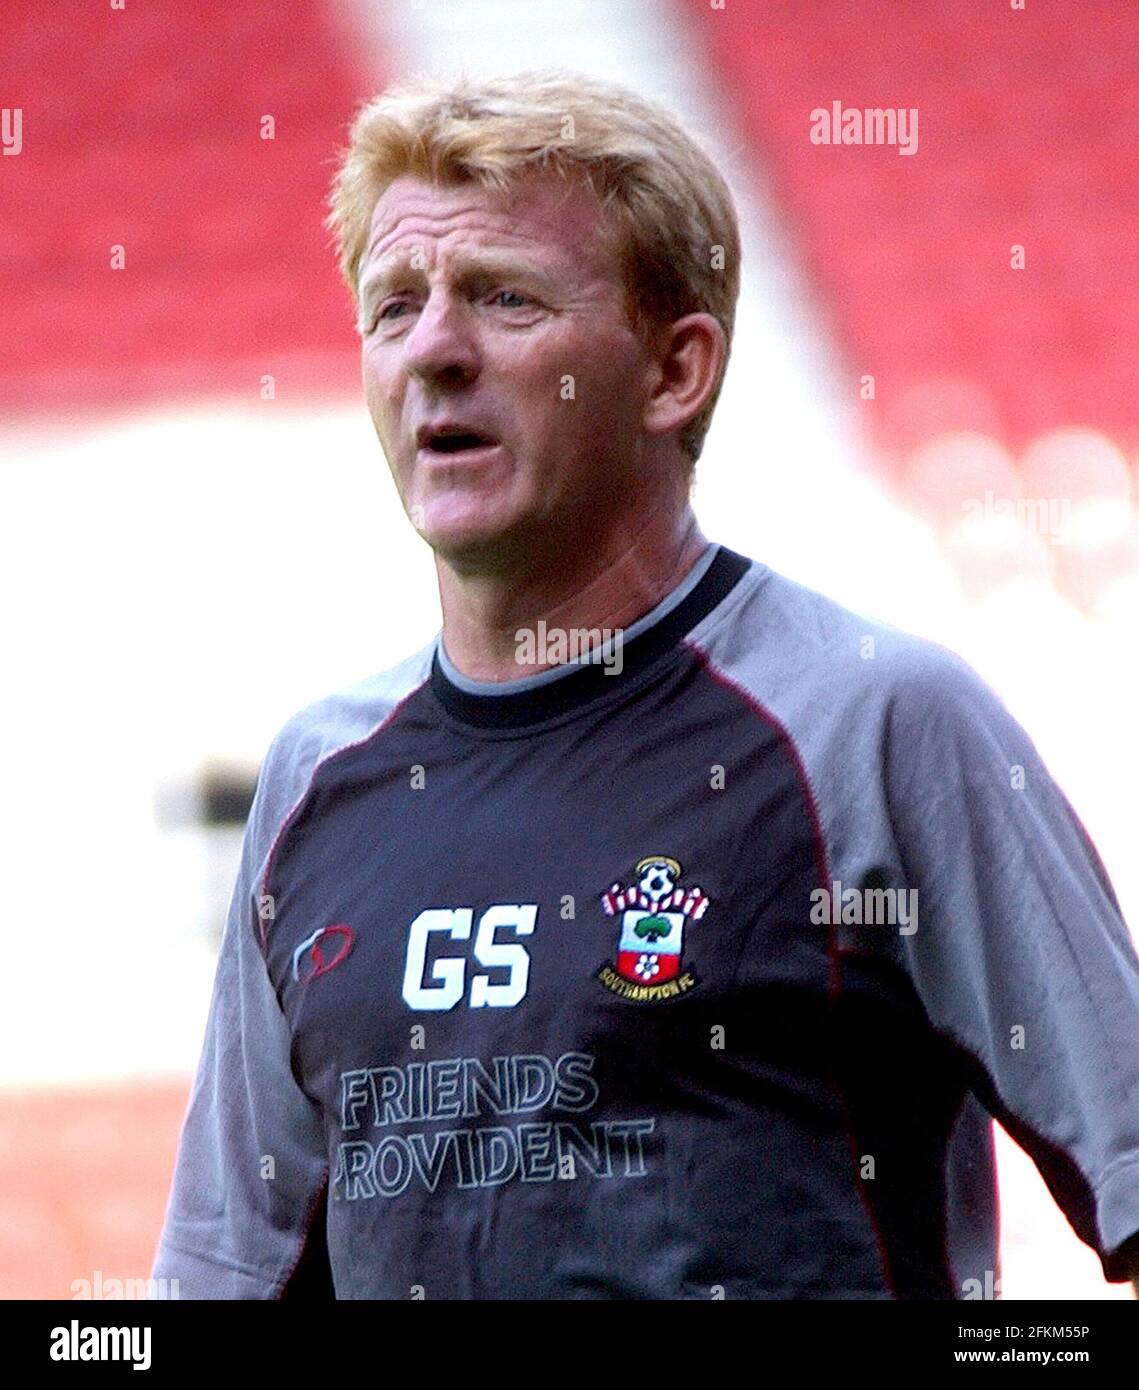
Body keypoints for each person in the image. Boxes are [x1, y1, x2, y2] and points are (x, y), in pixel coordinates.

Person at [152, 69, 1139, 1299]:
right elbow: (218, 1287)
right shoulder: (315, 779)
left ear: (674, 373)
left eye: (503, 298)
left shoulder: (878, 727)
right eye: (393, 306)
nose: (433, 352)